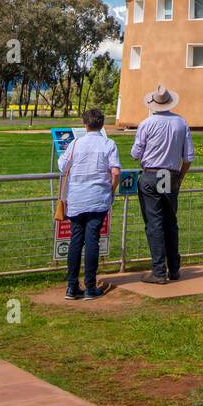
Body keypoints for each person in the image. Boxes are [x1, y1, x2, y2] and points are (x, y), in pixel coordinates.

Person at [131, 85, 194, 284]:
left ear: (153, 103)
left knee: (154, 223)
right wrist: (180, 177)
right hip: (169, 175)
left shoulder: (146, 124)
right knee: (170, 221)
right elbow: (188, 156)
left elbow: (135, 154)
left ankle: (159, 271)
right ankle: (174, 268)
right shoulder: (181, 123)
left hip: (151, 175)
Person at [58, 107, 120, 299]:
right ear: (102, 125)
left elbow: (62, 166)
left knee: (76, 241)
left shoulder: (75, 144)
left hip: (76, 198)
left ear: (84, 125)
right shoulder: (108, 144)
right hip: (98, 198)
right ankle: (91, 286)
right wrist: (110, 190)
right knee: (92, 239)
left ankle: (71, 286)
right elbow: (115, 172)